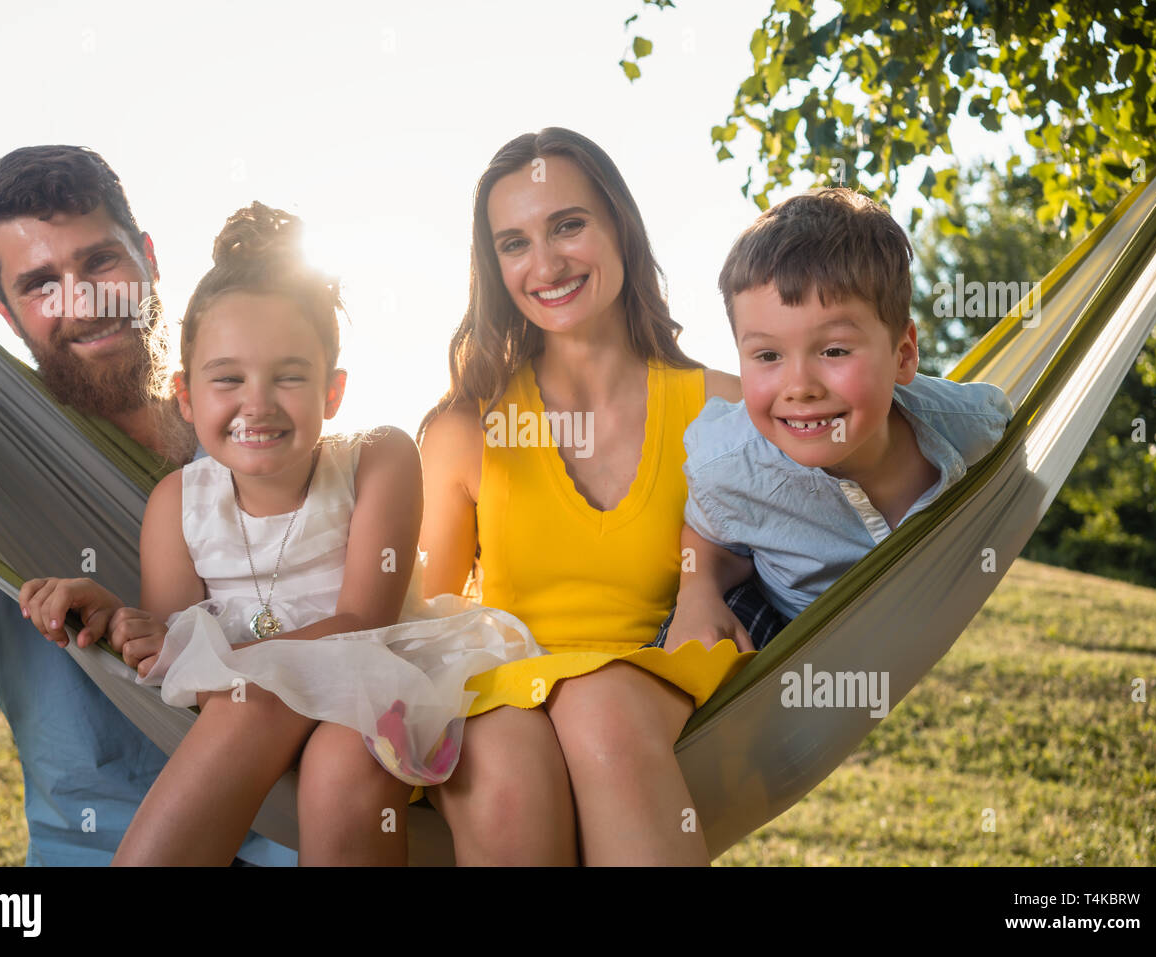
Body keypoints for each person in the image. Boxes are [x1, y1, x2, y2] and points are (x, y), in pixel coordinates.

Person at [20, 202, 539, 865]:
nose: (257, 402)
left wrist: (225, 666)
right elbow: (176, 653)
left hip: (377, 694)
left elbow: (358, 623)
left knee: (339, 752)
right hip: (252, 720)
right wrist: (118, 616)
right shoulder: (177, 502)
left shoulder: (379, 460)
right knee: (244, 702)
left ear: (332, 392)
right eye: (228, 378)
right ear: (186, 395)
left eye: (289, 376)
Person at [0, 146, 286, 865]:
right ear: (3, 312)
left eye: (100, 262)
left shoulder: (264, 441)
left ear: (150, 259)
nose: (83, 302)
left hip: (298, 839)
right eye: (41, 284)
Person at [417, 128, 785, 865]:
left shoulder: (721, 407)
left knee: (600, 706)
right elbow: (430, 619)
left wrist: (700, 582)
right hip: (506, 698)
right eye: (514, 242)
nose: (546, 264)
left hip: (662, 687)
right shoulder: (467, 427)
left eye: (569, 225)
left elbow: (793, 551)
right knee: (506, 768)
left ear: (619, 225)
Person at [667, 187, 1013, 638]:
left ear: (904, 356)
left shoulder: (972, 428)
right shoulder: (729, 465)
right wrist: (696, 594)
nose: (800, 387)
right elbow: (708, 532)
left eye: (833, 350)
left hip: (882, 635)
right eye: (768, 356)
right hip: (781, 628)